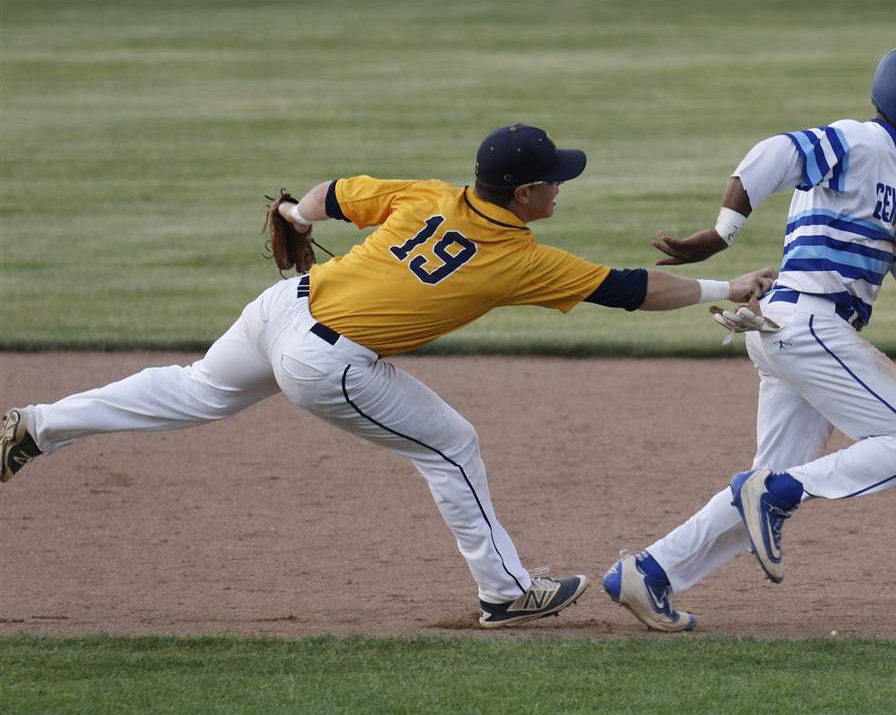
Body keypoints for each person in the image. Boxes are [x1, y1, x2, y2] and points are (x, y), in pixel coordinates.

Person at [1, 123, 775, 628]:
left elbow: (331, 194)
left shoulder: (430, 194)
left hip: (282, 308)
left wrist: (299, 222)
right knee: (451, 446)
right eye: (553, 180)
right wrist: (726, 286)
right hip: (326, 361)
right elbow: (628, 289)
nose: (560, 187)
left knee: (193, 388)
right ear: (524, 194)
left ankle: (35, 423)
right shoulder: (519, 258)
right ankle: (506, 591)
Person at [601, 46, 896, 632]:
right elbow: (775, 152)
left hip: (792, 332)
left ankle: (650, 571)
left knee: (765, 486)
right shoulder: (858, 141)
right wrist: (723, 233)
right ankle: (777, 491)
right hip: (808, 324)